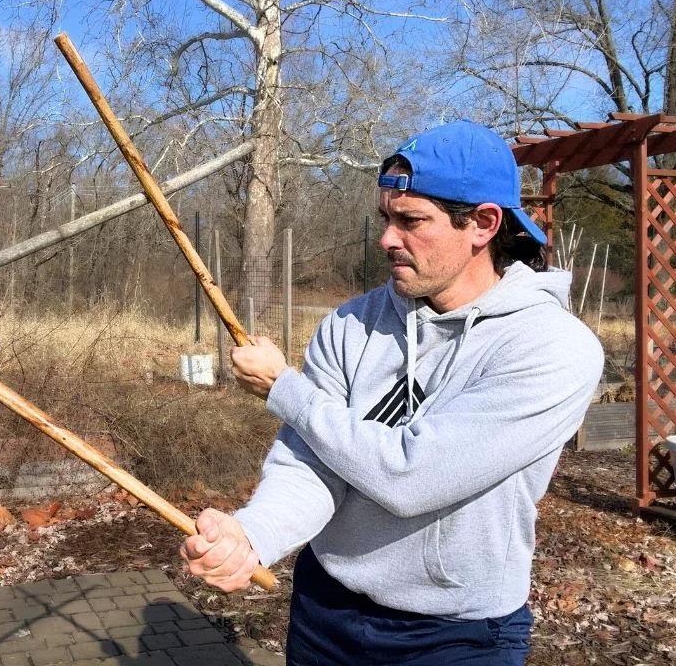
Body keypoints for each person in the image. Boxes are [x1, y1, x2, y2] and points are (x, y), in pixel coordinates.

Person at [179, 120, 604, 665]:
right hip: (325, 609)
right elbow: (312, 464)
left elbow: (412, 477)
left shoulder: (552, 347)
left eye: (411, 220)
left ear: (483, 223)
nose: (387, 238)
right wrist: (253, 535)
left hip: (456, 634)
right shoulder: (351, 325)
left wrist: (286, 388)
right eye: (386, 217)